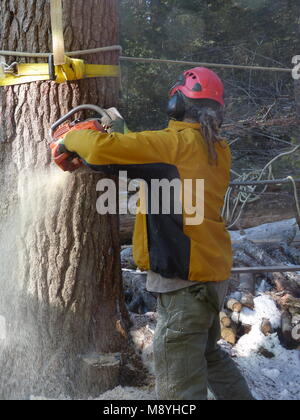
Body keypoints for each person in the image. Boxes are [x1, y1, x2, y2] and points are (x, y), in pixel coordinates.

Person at [53, 67, 254, 400]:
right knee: (208, 356)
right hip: (210, 276)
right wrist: (124, 136)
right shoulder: (216, 147)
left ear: (177, 102)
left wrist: (71, 136)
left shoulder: (173, 145)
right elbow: (154, 162)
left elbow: (103, 151)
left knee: (178, 384)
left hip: (186, 284)